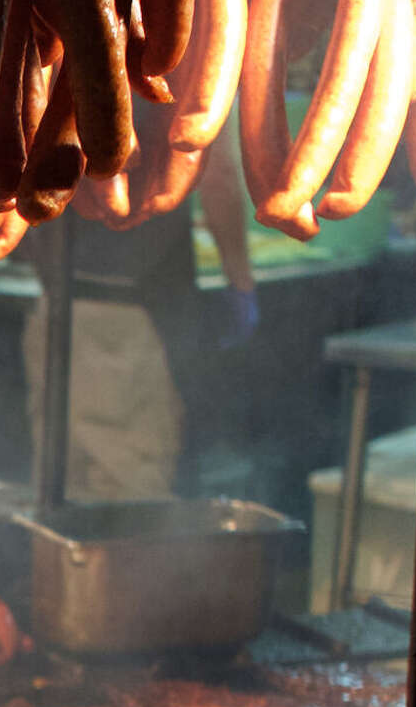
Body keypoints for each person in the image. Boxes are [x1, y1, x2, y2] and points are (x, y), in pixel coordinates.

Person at [26, 108, 258, 501]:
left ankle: (66, 565)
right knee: (130, 496)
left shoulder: (51, 49)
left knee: (61, 488)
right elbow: (218, 175)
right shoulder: (187, 59)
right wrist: (240, 279)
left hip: (53, 311)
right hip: (127, 326)